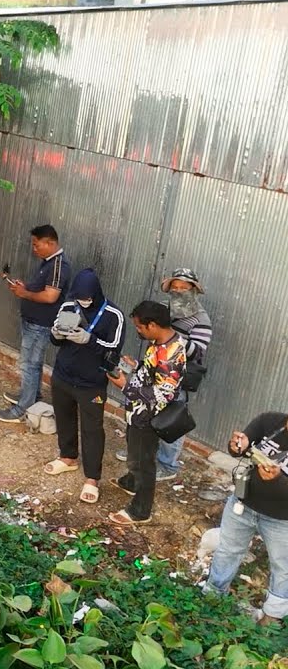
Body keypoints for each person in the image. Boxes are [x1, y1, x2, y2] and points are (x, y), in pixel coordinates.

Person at [115, 268, 213, 479]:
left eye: (183, 288)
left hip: (179, 374)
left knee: (172, 415)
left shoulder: (201, 318)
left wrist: (171, 337)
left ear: (193, 290)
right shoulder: (166, 308)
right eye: (174, 287)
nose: (178, 291)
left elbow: (198, 352)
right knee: (147, 410)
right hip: (155, 367)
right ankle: (140, 452)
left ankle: (168, 465)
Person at [44, 269, 125, 505]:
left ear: (96, 293)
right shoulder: (69, 306)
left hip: (91, 383)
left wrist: (90, 340)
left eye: (87, 297)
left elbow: (113, 350)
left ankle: (92, 478)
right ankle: (67, 457)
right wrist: (56, 333)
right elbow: (54, 339)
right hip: (63, 374)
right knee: (64, 417)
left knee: (92, 429)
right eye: (80, 296)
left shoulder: (113, 315)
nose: (83, 301)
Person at [108, 301, 186, 526]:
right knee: (135, 452)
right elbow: (155, 370)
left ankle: (140, 511)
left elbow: (164, 394)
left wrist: (125, 385)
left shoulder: (172, 355)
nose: (138, 331)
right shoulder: (160, 342)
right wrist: (138, 366)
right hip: (138, 412)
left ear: (152, 325)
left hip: (150, 417)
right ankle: (131, 482)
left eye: (140, 327)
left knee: (144, 462)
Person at [205, 412, 287, 626]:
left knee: (283, 567)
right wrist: (236, 445)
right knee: (228, 550)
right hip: (243, 503)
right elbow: (240, 446)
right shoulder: (270, 422)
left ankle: (271, 619)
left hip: (282, 519)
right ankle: (211, 598)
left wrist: (277, 480)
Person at [0, 225, 72, 423]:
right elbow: (42, 289)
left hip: (41, 325)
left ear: (50, 243)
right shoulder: (47, 263)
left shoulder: (58, 266)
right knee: (33, 364)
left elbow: (50, 296)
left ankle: (23, 408)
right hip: (33, 322)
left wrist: (25, 294)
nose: (34, 249)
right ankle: (31, 396)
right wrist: (26, 287)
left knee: (29, 364)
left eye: (37, 245)